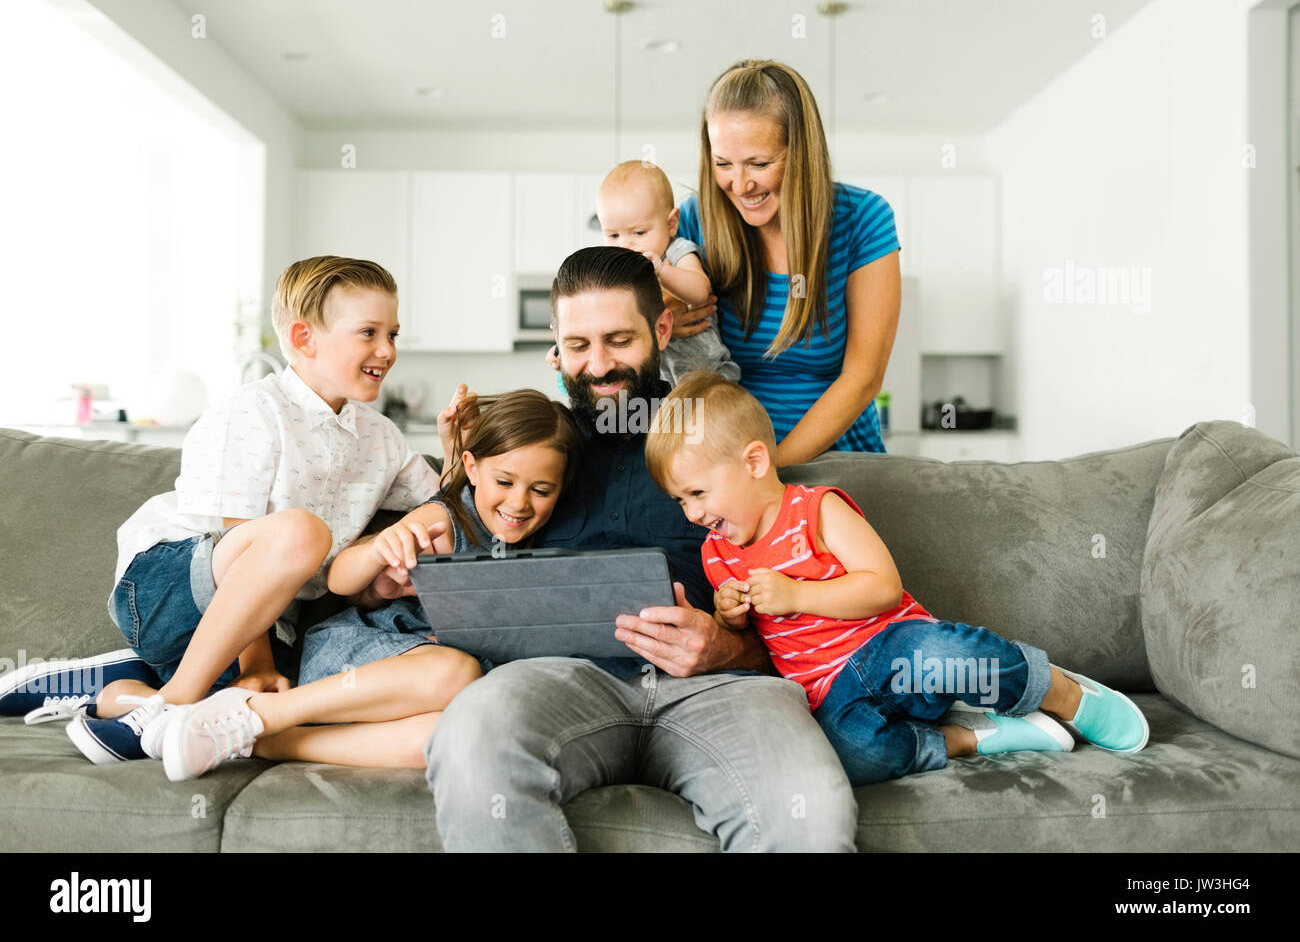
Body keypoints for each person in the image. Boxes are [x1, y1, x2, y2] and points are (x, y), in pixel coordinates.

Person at [419, 245, 859, 851]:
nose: (598, 367)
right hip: (563, 682)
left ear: (662, 328)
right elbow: (455, 535)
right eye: (577, 345)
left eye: (618, 340)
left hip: (720, 686)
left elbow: (805, 586)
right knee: (470, 738)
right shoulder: (535, 448)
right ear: (556, 344)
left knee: (806, 813)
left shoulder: (724, 439)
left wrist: (728, 647)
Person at [24, 256, 444, 766]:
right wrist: (257, 661)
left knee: (261, 706)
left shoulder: (381, 438)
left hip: (258, 622)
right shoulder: (253, 413)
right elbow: (247, 555)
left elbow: (444, 505)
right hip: (165, 588)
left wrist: (458, 446)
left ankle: (121, 691)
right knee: (301, 534)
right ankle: (177, 694)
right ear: (305, 339)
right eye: (369, 333)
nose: (388, 351)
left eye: (393, 334)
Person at [644, 372, 1150, 786]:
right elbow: (748, 638)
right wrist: (728, 615)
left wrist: (797, 592)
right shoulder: (718, 554)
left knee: (949, 656)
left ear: (754, 461)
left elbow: (882, 586)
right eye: (681, 501)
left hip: (893, 651)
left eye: (697, 493)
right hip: (830, 694)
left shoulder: (816, 510)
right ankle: (974, 737)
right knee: (852, 756)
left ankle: (1065, 694)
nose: (692, 513)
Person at [154, 389, 583, 781]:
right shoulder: (443, 522)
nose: (519, 502)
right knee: (455, 672)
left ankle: (268, 741)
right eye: (504, 482)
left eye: (541, 489)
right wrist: (381, 549)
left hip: (416, 699)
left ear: (562, 490)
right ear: (471, 468)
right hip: (358, 661)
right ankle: (263, 712)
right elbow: (340, 579)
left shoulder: (547, 541)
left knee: (456, 735)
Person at [674, 59, 902, 464]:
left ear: (801, 153)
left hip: (837, 461)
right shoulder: (694, 220)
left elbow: (862, 378)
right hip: (730, 467)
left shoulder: (864, 218)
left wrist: (772, 470)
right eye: (723, 163)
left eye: (759, 164)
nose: (740, 185)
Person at [547, 160, 740, 387]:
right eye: (613, 236)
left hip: (707, 376)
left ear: (671, 224)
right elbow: (598, 324)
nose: (626, 245)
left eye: (639, 232)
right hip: (659, 382)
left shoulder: (676, 251)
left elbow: (700, 292)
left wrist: (663, 272)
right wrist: (566, 349)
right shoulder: (618, 275)